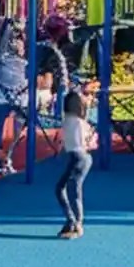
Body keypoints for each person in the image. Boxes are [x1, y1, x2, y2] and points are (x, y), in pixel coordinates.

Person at [54, 90, 95, 240]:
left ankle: (76, 223)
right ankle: (72, 220)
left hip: (78, 156)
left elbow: (79, 141)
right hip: (79, 156)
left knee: (71, 189)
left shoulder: (73, 121)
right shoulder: (78, 120)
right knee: (67, 188)